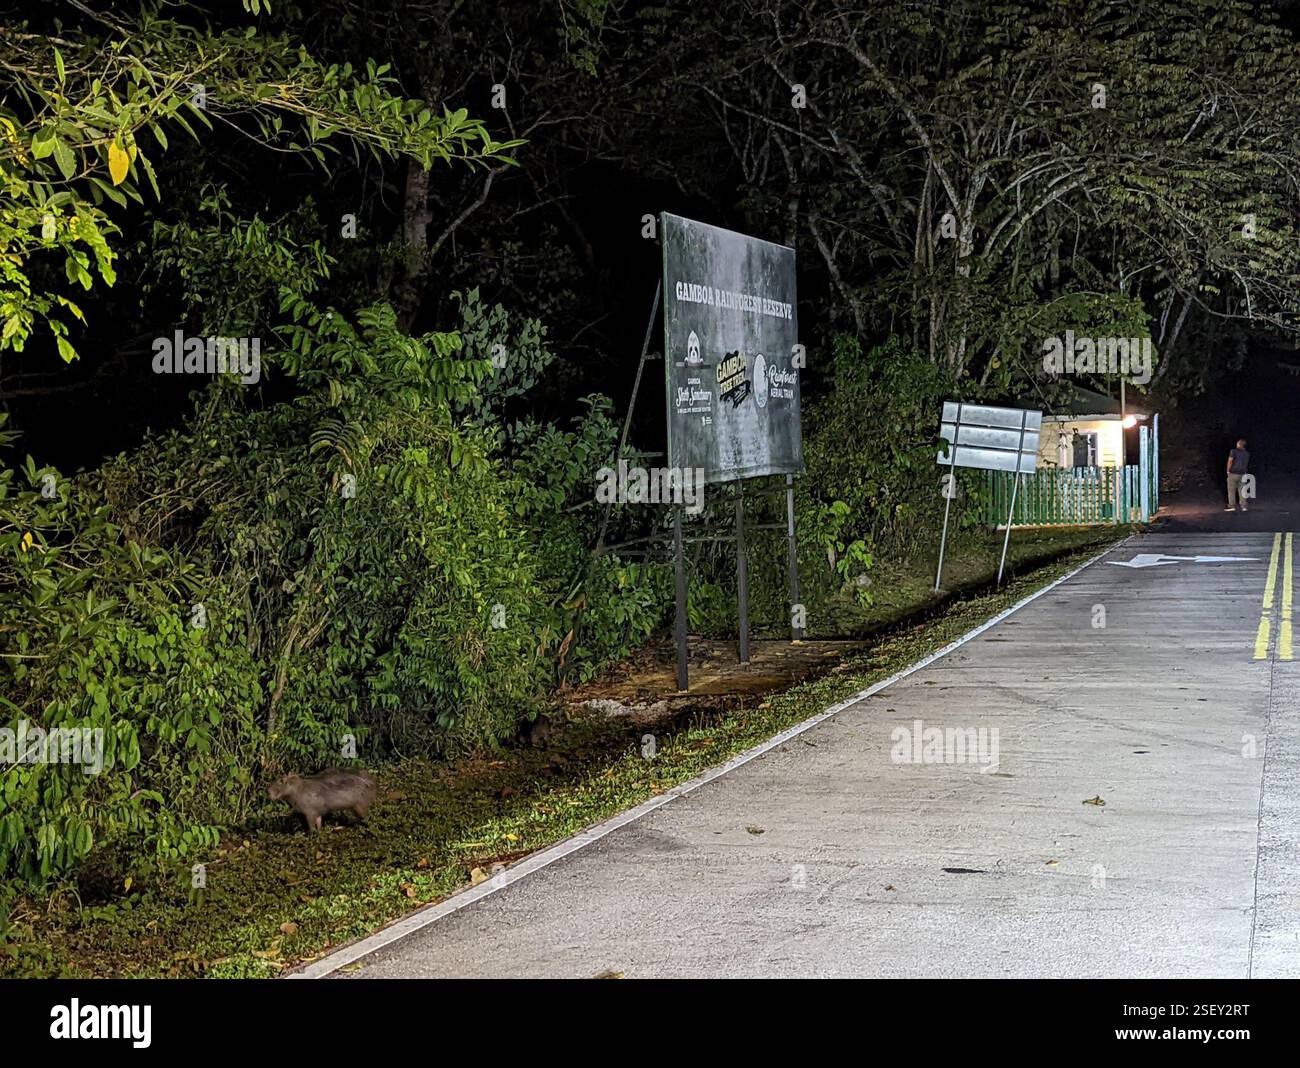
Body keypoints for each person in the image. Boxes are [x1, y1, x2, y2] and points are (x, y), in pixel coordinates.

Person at [1226, 438, 1250, 512]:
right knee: (1242, 490)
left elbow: (1230, 461)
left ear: (1239, 444)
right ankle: (1244, 507)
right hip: (1243, 473)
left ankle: (1232, 506)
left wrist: (1228, 470)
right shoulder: (1247, 453)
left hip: (1233, 473)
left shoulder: (1233, 451)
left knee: (1231, 490)